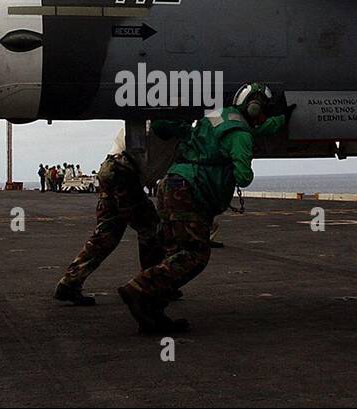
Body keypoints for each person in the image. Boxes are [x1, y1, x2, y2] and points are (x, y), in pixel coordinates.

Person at [118, 83, 290, 332]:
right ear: (254, 108)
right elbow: (243, 176)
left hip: (172, 184)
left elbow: (180, 130)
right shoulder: (240, 135)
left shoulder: (216, 116)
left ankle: (152, 313)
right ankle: (138, 288)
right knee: (195, 255)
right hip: (191, 191)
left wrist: (279, 121)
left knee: (175, 253)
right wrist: (239, 161)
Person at [54, 127, 164, 306]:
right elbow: (166, 127)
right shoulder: (167, 119)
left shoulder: (150, 114)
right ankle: (150, 285)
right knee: (151, 228)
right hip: (124, 171)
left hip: (112, 170)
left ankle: (70, 282)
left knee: (106, 234)